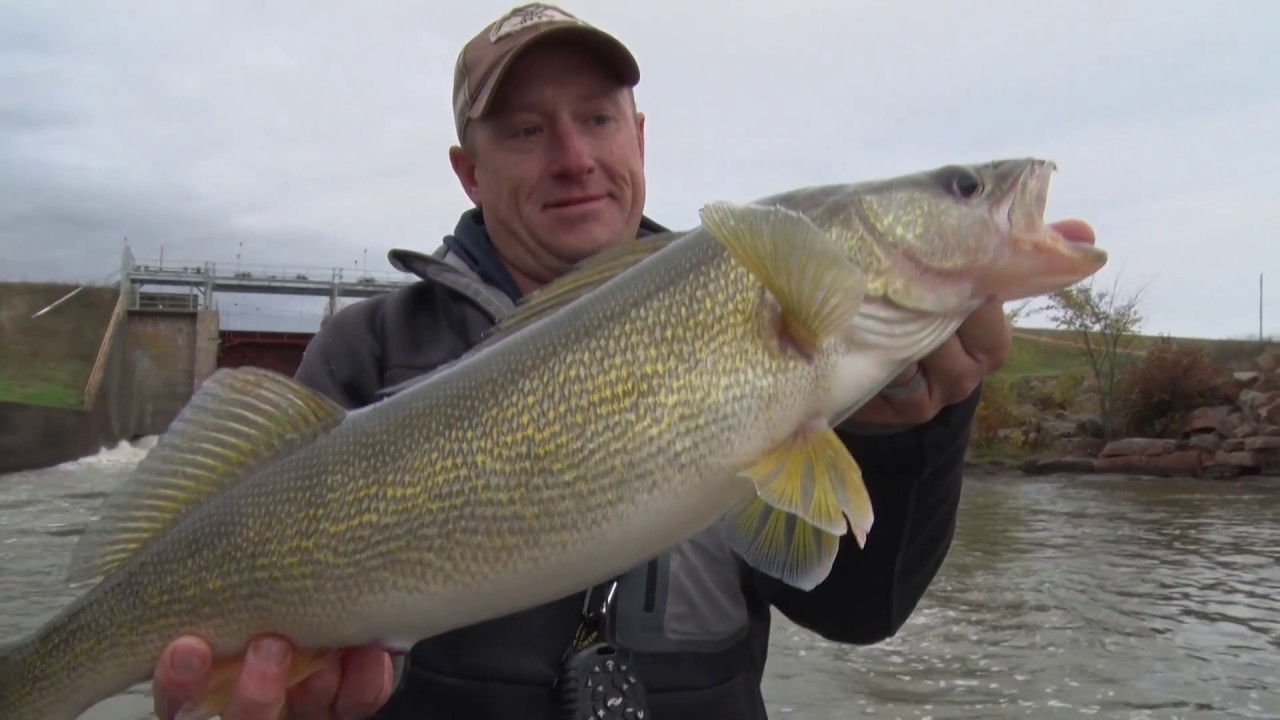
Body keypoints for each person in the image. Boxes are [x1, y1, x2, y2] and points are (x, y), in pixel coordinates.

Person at [151, 3, 1012, 719]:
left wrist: (917, 431)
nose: (574, 159)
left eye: (599, 119)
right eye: (526, 130)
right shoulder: (369, 348)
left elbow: (860, 612)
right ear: (468, 172)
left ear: (639, 137)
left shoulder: (766, 313)